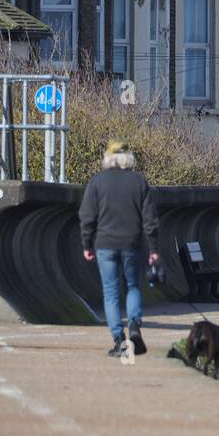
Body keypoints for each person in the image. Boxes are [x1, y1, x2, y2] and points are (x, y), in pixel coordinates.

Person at [80, 141, 160, 357]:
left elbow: (87, 217)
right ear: (128, 158)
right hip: (132, 243)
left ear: (108, 158)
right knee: (133, 286)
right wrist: (153, 248)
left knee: (111, 293)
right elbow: (150, 219)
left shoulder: (97, 182)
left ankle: (119, 340)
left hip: (105, 244)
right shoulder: (139, 182)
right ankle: (134, 325)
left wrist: (87, 244)